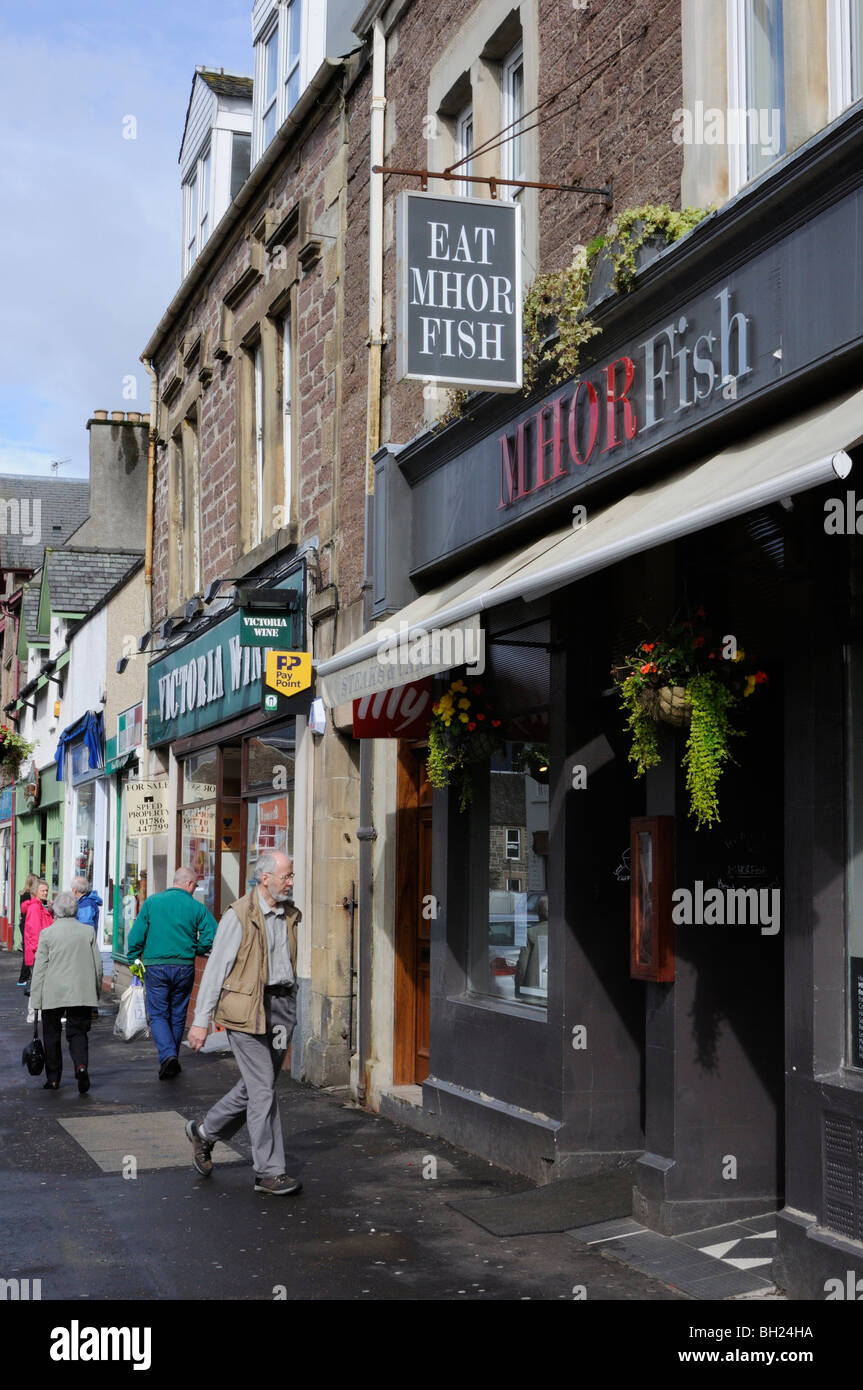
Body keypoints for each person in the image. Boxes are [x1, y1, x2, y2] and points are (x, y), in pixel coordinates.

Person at [185, 851, 302, 1197]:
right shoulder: (238, 915)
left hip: (280, 1009)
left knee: (257, 1085)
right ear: (265, 879)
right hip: (246, 1010)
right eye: (286, 876)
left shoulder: (289, 913)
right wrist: (200, 1022)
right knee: (263, 1088)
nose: (290, 882)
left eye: (291, 876)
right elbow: (215, 969)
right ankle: (269, 1172)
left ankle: (204, 1132)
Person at [127, 867, 219, 1079]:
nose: (195, 889)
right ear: (189, 884)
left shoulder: (152, 903)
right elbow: (212, 933)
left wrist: (134, 960)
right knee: (178, 1015)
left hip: (155, 966)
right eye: (195, 885)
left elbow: (136, 935)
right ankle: (172, 1057)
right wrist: (196, 948)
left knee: (158, 1014)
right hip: (184, 966)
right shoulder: (196, 907)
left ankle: (168, 1056)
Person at [29, 890, 102, 1092]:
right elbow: (97, 966)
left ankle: (53, 1079)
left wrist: (36, 1000)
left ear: (55, 911)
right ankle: (81, 1066)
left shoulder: (47, 934)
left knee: (51, 1034)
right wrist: (96, 991)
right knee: (78, 1032)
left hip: (53, 992)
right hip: (81, 991)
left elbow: (40, 969)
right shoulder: (87, 932)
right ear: (75, 910)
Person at [16, 872, 39, 985]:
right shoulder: (27, 895)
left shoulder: (24, 894)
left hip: (24, 923)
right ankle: (23, 978)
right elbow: (27, 911)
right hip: (26, 924)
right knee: (28, 951)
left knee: (28, 950)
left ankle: (25, 977)